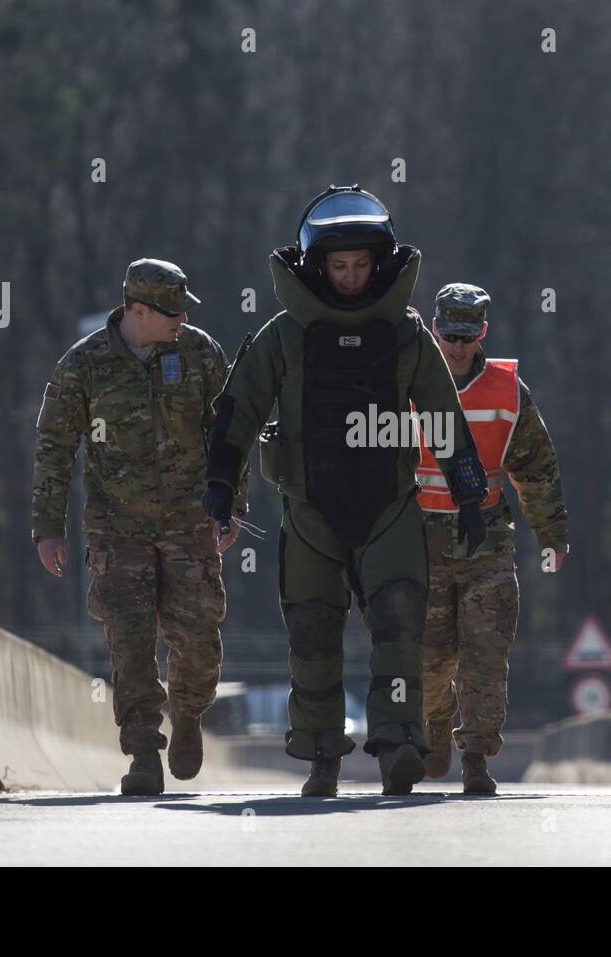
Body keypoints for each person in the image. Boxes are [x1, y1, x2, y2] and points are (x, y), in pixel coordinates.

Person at [201, 185, 488, 796]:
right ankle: (322, 756)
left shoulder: (408, 335)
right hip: (308, 510)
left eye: (361, 265)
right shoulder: (283, 336)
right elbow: (237, 413)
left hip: (389, 505)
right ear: (317, 266)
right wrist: (220, 486)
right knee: (311, 633)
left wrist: (470, 494)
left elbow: (444, 419)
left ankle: (398, 745)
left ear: (379, 263)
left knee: (400, 623)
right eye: (339, 266)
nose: (352, 277)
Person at [31, 258, 243, 796]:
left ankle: (189, 713)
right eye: (171, 312)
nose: (181, 319)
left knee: (197, 638)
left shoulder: (200, 354)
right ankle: (144, 752)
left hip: (190, 524)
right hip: (116, 530)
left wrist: (232, 503)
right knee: (129, 643)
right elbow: (55, 448)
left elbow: (231, 435)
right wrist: (48, 527)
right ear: (137, 310)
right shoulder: (84, 366)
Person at [417, 283, 569, 794]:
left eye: (468, 335)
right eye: (448, 335)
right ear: (434, 329)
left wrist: (552, 534)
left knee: (485, 653)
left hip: (487, 544)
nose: (457, 347)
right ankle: (435, 721)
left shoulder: (507, 391)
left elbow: (537, 467)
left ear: (483, 332)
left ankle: (477, 756)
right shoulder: (406, 381)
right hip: (420, 548)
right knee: (429, 658)